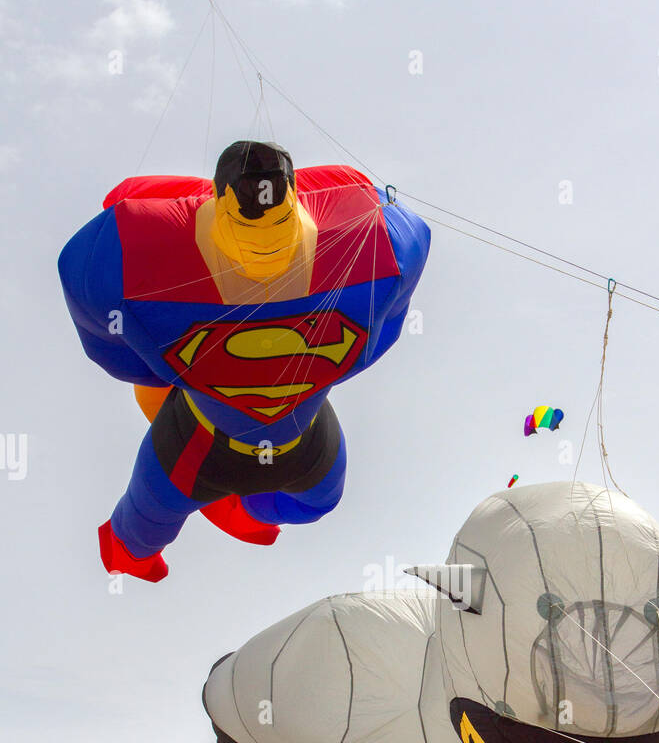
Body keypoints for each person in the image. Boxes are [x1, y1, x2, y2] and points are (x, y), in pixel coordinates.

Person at [58, 141, 431, 583]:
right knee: (313, 504)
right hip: (301, 448)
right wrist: (340, 191)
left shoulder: (113, 258)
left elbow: (113, 349)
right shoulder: (387, 244)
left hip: (192, 447)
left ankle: (232, 511)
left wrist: (173, 366)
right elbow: (383, 324)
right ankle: (240, 511)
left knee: (132, 543)